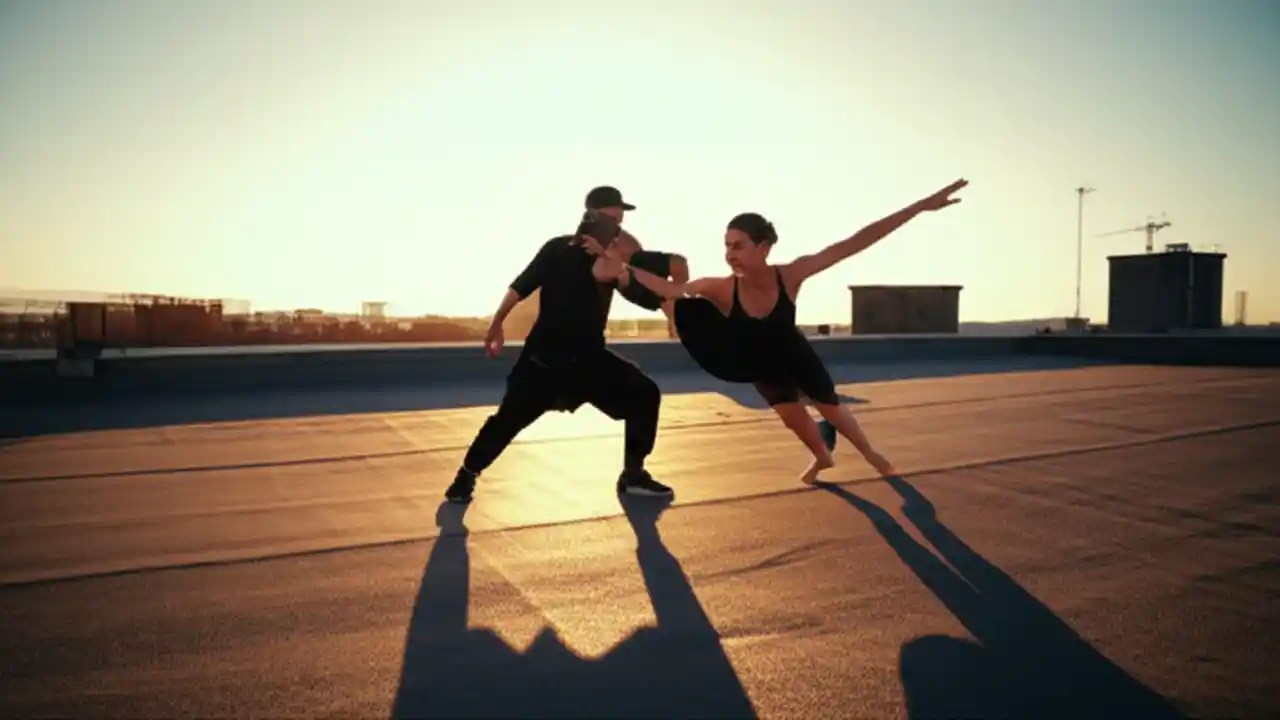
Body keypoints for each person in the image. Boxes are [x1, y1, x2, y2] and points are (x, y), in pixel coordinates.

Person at [582, 179, 968, 485]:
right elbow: (669, 290)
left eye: (739, 246)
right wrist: (624, 269)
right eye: (726, 246)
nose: (730, 254)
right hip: (757, 362)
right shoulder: (719, 286)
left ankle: (871, 454)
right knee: (793, 418)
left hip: (794, 355)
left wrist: (919, 208)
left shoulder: (791, 274)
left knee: (831, 408)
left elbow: (854, 243)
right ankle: (822, 456)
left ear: (763, 247)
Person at [444, 191, 676, 504]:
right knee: (507, 421)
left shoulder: (610, 259)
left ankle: (633, 475)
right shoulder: (557, 249)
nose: (617, 229)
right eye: (611, 220)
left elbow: (643, 296)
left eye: (620, 222)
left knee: (644, 394)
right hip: (544, 362)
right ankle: (466, 475)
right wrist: (497, 322)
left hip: (589, 362)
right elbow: (521, 285)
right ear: (591, 217)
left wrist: (622, 272)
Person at [585, 186, 691, 338]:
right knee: (666, 299)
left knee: (678, 263)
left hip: (638, 261)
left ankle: (680, 310)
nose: (622, 214)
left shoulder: (617, 231)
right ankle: (678, 322)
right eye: (618, 209)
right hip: (625, 276)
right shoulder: (594, 232)